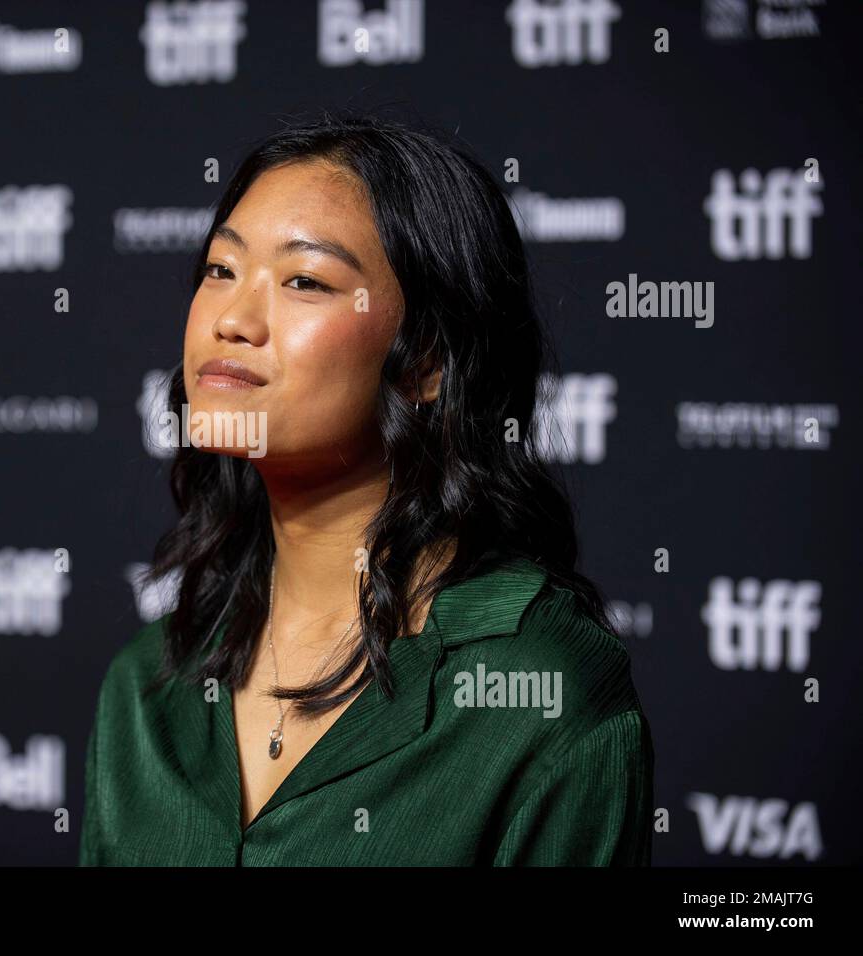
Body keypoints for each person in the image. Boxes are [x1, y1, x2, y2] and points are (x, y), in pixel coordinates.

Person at [80, 111, 653, 866]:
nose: (232, 320)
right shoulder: (148, 687)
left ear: (427, 363)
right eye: (221, 270)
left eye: (305, 281)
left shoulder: (539, 698)